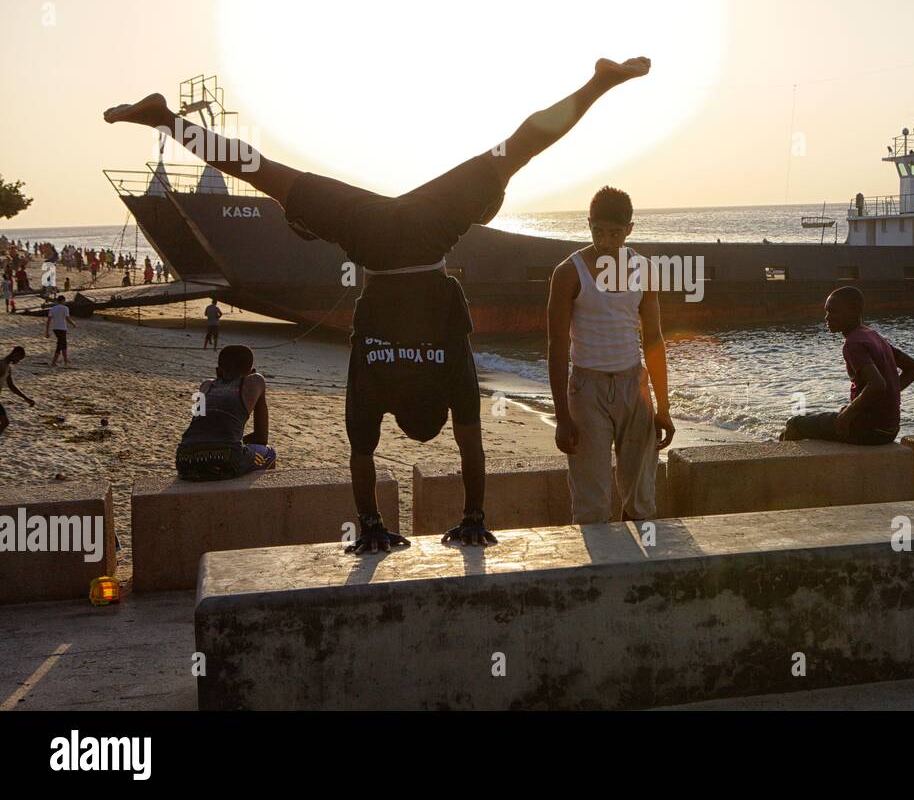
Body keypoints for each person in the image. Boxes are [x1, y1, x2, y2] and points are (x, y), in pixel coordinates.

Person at [106, 55, 652, 552]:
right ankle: (164, 119)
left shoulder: (420, 369)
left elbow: (437, 448)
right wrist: (467, 518)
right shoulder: (407, 372)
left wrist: (422, 523)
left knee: (512, 151)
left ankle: (598, 83)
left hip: (404, 233)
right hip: (385, 235)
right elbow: (410, 452)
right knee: (267, 173)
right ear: (414, 408)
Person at [547, 186, 675, 524]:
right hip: (587, 391)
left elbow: (653, 339)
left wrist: (663, 407)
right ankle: (595, 575)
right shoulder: (568, 273)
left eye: (615, 233)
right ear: (588, 224)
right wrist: (562, 416)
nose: (605, 241)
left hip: (634, 387)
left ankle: (636, 571)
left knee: (642, 500)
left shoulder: (644, 269)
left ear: (630, 229)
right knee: (592, 504)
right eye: (598, 231)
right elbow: (557, 347)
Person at [780, 286, 914, 445]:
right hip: (890, 429)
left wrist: (848, 413)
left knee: (794, 424)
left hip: (867, 430)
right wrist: (888, 396)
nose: (827, 317)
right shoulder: (872, 335)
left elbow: (877, 384)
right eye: (826, 311)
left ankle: (780, 466)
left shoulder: (853, 344)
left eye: (833, 312)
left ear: (854, 311)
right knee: (821, 419)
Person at [175, 344, 277, 480]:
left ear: (218, 372)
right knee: (270, 453)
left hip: (184, 459)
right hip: (226, 459)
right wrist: (237, 441)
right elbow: (261, 438)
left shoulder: (205, 386)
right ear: (251, 372)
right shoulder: (255, 381)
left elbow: (199, 423)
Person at [0, 347, 36, 435]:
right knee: (5, 422)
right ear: (15, 354)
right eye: (19, 359)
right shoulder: (1, 365)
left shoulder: (8, 368)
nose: (18, 362)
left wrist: (26, 398)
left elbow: (12, 386)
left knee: (5, 423)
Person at [45, 294, 75, 367]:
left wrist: (47, 331)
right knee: (60, 345)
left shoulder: (52, 309)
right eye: (64, 301)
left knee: (63, 344)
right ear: (62, 301)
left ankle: (65, 361)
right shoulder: (65, 308)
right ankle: (54, 362)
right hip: (62, 328)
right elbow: (67, 319)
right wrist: (73, 324)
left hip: (56, 329)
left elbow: (48, 321)